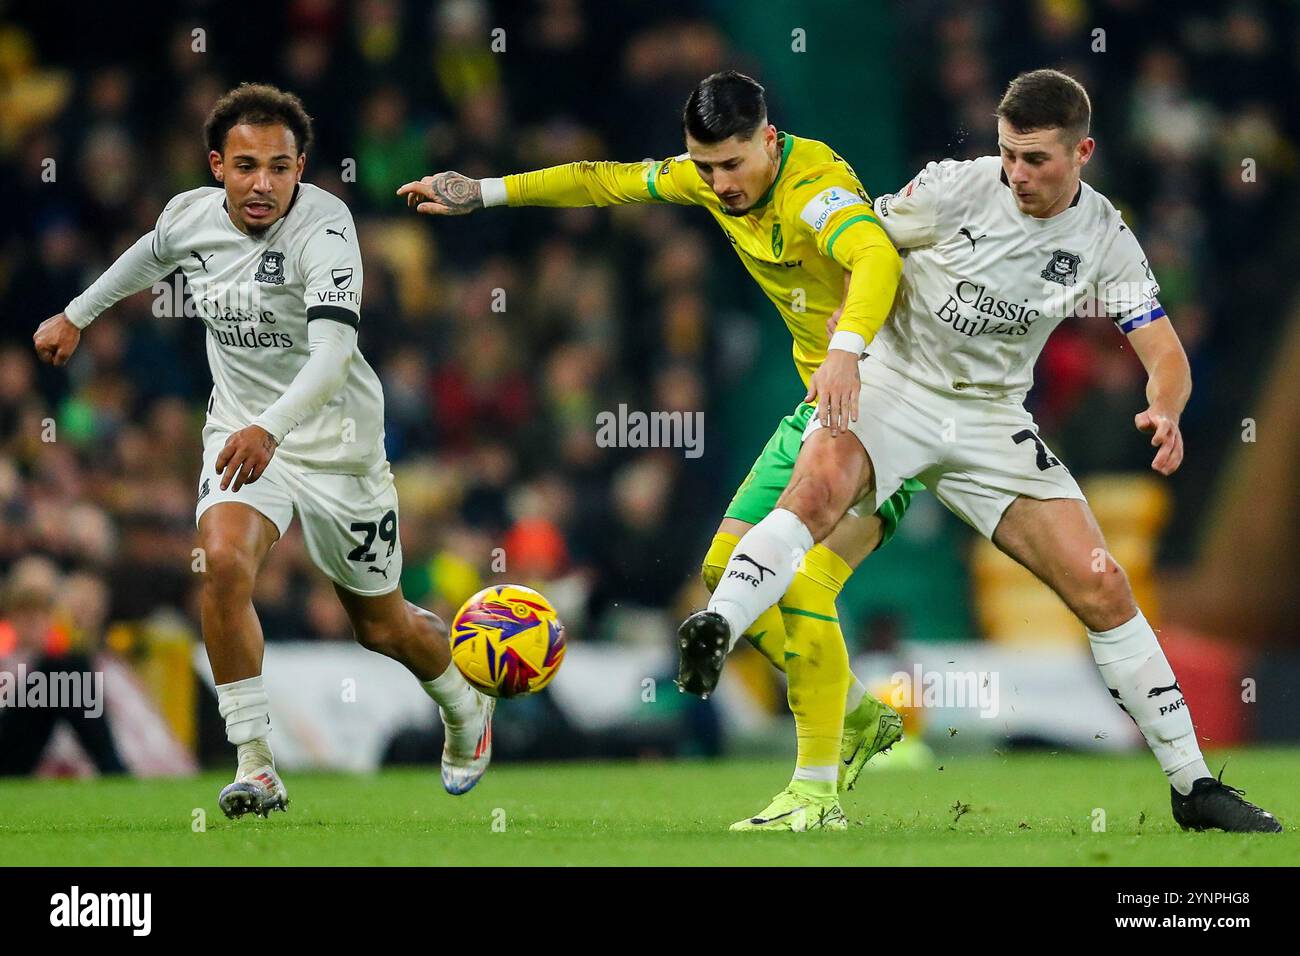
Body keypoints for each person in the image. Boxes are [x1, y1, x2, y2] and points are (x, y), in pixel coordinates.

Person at [686, 69, 1281, 833]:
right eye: (1008, 154)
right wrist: (846, 332)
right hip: (894, 385)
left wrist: (1164, 408)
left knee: (1104, 586)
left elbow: (1164, 350)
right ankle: (720, 625)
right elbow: (864, 248)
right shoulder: (953, 188)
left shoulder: (1104, 235)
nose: (1017, 173)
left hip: (990, 420)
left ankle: (1194, 788)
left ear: (1083, 152)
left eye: (1036, 159)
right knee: (816, 489)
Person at [399, 70, 921, 830]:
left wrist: (844, 350)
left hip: (890, 405)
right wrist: (483, 192)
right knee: (724, 573)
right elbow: (601, 182)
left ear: (769, 140)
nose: (718, 184)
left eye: (733, 165)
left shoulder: (815, 190)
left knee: (800, 584)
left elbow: (876, 257)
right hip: (820, 409)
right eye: (703, 167)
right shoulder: (711, 180)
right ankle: (857, 716)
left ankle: (815, 794)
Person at [32, 82, 493, 819]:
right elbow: (146, 258)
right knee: (221, 561)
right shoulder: (189, 216)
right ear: (217, 164)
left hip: (337, 444)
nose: (263, 184)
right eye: (246, 166)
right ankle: (256, 763)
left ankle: (463, 707)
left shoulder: (327, 227)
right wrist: (75, 315)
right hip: (242, 433)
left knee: (382, 626)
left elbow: (334, 354)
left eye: (280, 167)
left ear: (300, 168)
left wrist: (272, 428)